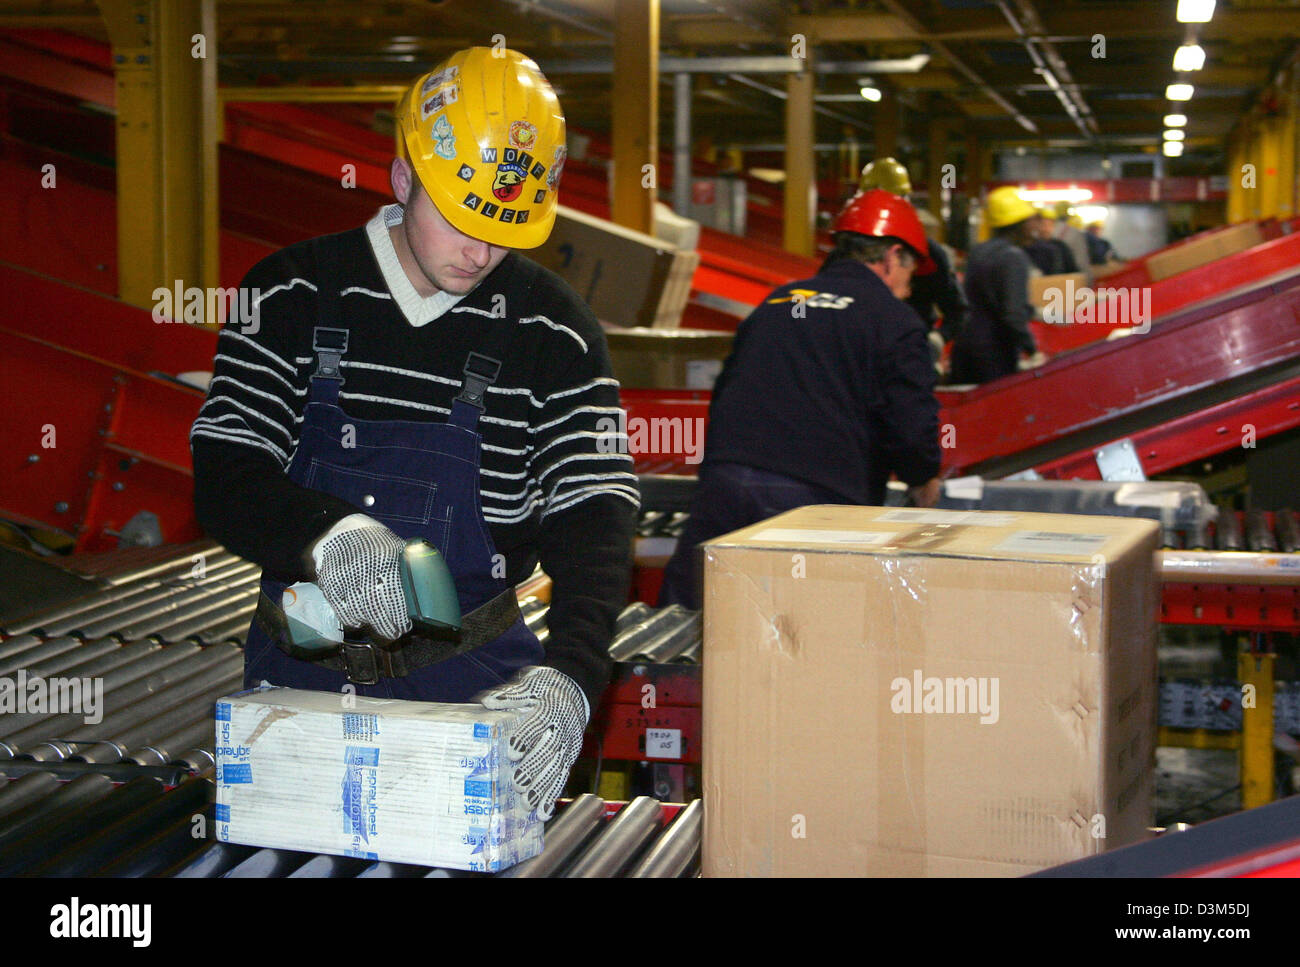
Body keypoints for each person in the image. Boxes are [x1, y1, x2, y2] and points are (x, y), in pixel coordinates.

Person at [189, 48, 638, 819]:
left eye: (504, 231)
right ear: (402, 178)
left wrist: (570, 674)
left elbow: (592, 515)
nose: (480, 253)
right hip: (299, 690)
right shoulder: (290, 291)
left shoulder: (553, 329)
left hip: (475, 692)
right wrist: (325, 535)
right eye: (461, 221)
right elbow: (226, 472)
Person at [657, 189, 943, 610]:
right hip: (813, 502)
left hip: (726, 483)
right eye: (910, 273)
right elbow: (909, 422)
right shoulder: (895, 321)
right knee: (803, 638)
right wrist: (924, 477)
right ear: (891, 256)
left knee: (689, 626)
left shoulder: (780, 300)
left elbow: (728, 389)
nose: (906, 288)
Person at [859, 158, 969, 352]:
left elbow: (957, 310)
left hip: (908, 351)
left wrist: (937, 340)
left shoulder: (928, 253)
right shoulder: (850, 252)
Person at [950, 186, 1039, 385]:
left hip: (964, 348)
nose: (1034, 226)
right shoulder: (1013, 257)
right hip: (993, 356)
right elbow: (1012, 314)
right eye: (1031, 221)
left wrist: (1033, 311)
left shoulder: (979, 252)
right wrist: (1032, 349)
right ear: (1019, 224)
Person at [1025, 208, 1080, 276]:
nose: (1045, 229)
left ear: (1053, 226)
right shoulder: (1029, 247)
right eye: (1042, 224)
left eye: (1049, 225)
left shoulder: (1061, 246)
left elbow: (1073, 271)